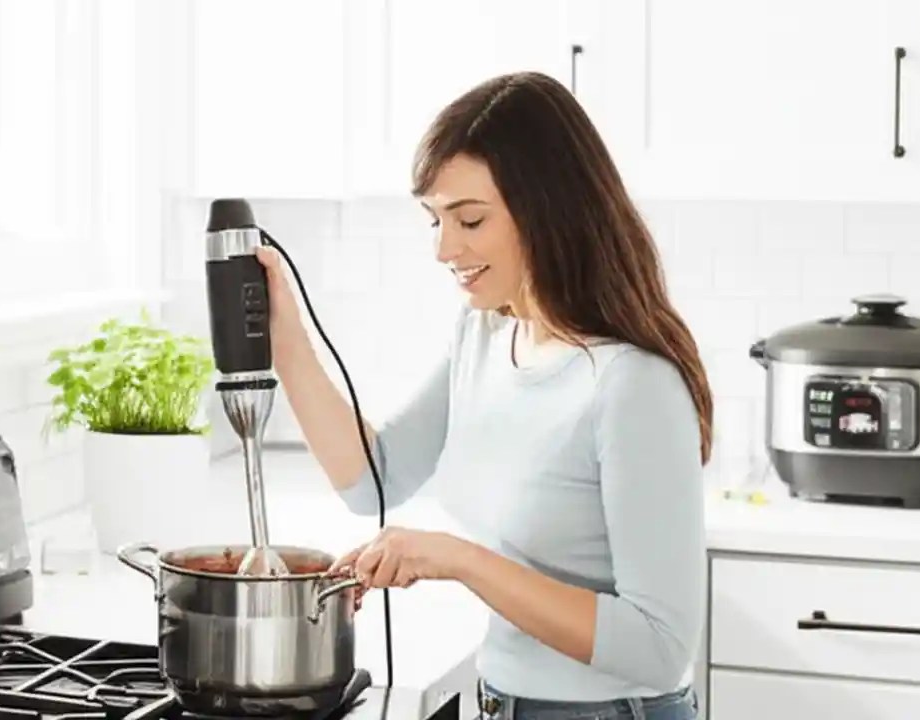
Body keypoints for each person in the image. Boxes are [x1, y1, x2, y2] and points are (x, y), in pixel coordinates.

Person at [255, 71, 711, 720]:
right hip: (502, 704)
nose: (445, 248)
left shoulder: (632, 386)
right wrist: (286, 337)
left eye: (469, 219)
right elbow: (372, 479)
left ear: (547, 210)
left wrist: (459, 561)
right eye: (435, 220)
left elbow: (659, 649)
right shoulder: (485, 337)